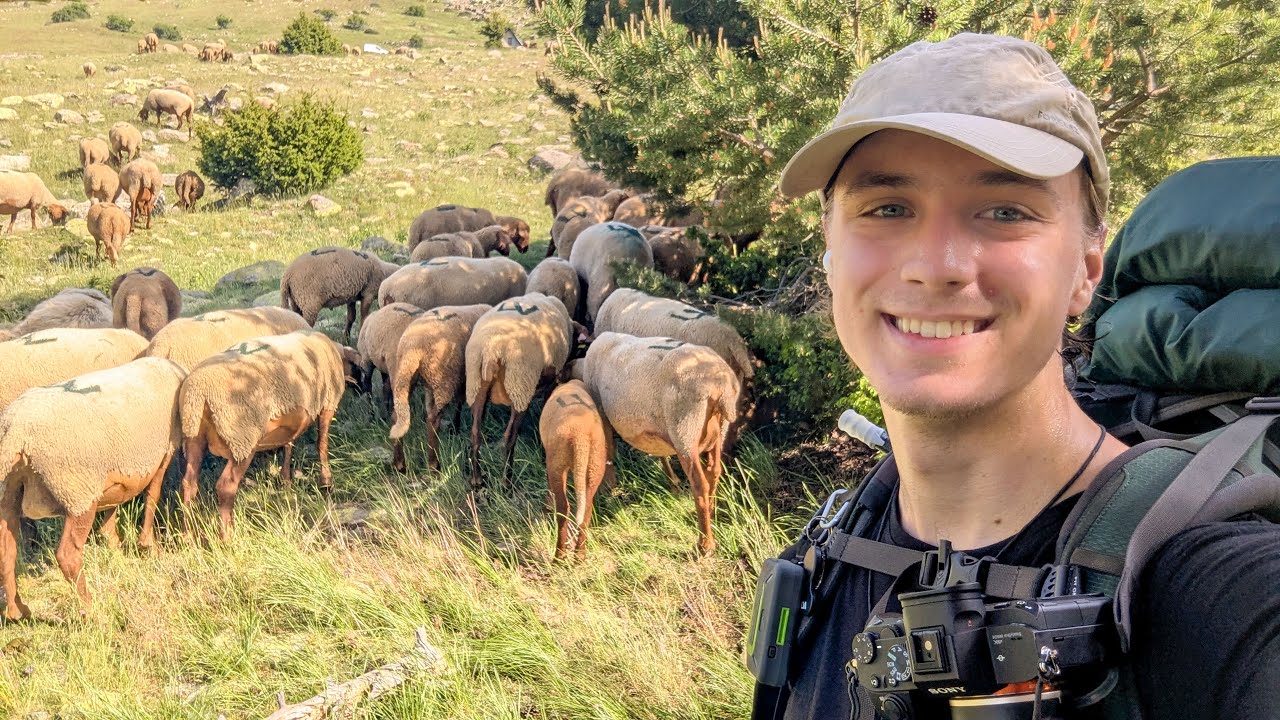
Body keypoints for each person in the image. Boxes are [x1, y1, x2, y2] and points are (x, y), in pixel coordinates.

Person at [751, 32, 1280, 720]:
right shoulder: (832, 553)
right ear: (830, 248)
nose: (936, 264)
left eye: (1005, 211)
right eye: (886, 208)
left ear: (1087, 269)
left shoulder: (1215, 591)